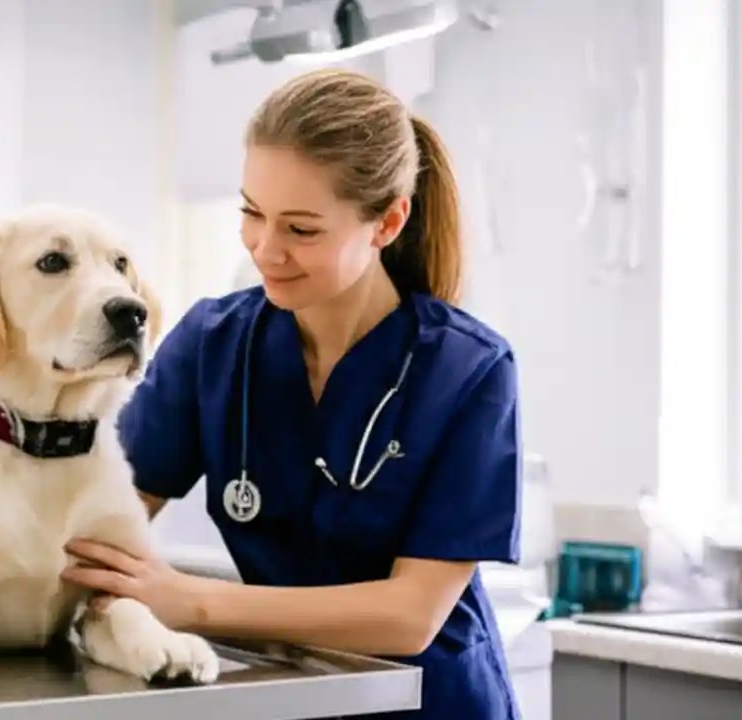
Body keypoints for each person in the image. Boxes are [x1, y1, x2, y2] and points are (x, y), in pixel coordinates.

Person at [61, 68, 523, 720]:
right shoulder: (213, 345)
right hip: (296, 694)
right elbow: (95, 524)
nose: (264, 249)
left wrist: (188, 602)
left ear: (387, 223)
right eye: (251, 213)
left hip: (433, 702)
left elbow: (409, 616)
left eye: (301, 230)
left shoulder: (467, 370)